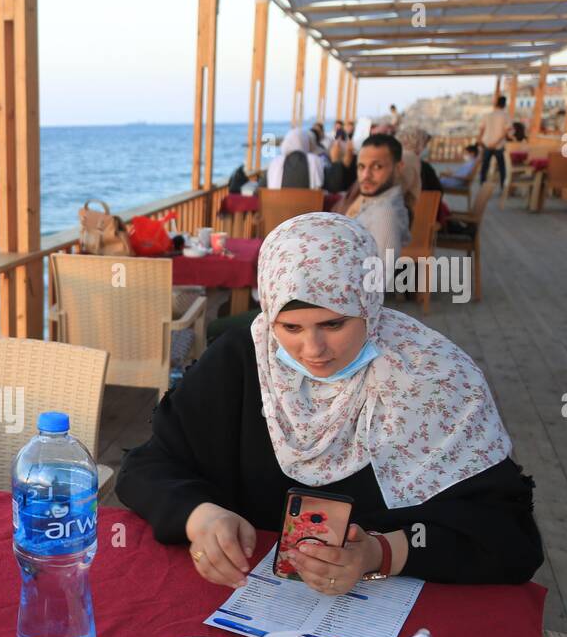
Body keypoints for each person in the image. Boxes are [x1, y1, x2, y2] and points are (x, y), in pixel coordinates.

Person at [115, 213, 543, 592]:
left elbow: (508, 536)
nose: (312, 349)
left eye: (333, 323)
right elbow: (149, 465)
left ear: (369, 305)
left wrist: (379, 554)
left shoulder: (435, 377)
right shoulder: (244, 360)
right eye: (291, 326)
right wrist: (200, 516)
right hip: (249, 601)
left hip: (395, 620)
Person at [333, 133, 410, 261]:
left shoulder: (385, 214)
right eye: (361, 166)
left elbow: (383, 275)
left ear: (398, 168)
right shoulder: (374, 201)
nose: (365, 175)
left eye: (377, 167)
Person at [477, 95, 512, 187]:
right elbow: (507, 131)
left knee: (485, 165)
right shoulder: (505, 116)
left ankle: (482, 183)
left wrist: (480, 139)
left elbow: (482, 129)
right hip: (499, 145)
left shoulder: (488, 115)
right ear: (504, 104)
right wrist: (496, 142)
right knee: (501, 166)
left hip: (487, 143)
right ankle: (502, 185)